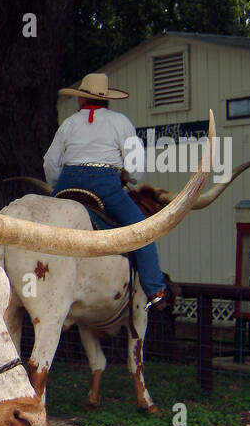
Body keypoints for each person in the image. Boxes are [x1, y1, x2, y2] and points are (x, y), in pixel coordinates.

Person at [42, 72, 168, 310]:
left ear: (81, 99)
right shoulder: (120, 122)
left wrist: (57, 187)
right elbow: (135, 164)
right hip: (104, 185)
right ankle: (155, 290)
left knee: (39, 228)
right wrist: (128, 178)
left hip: (67, 183)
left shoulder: (69, 123)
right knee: (143, 231)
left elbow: (50, 161)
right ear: (107, 100)